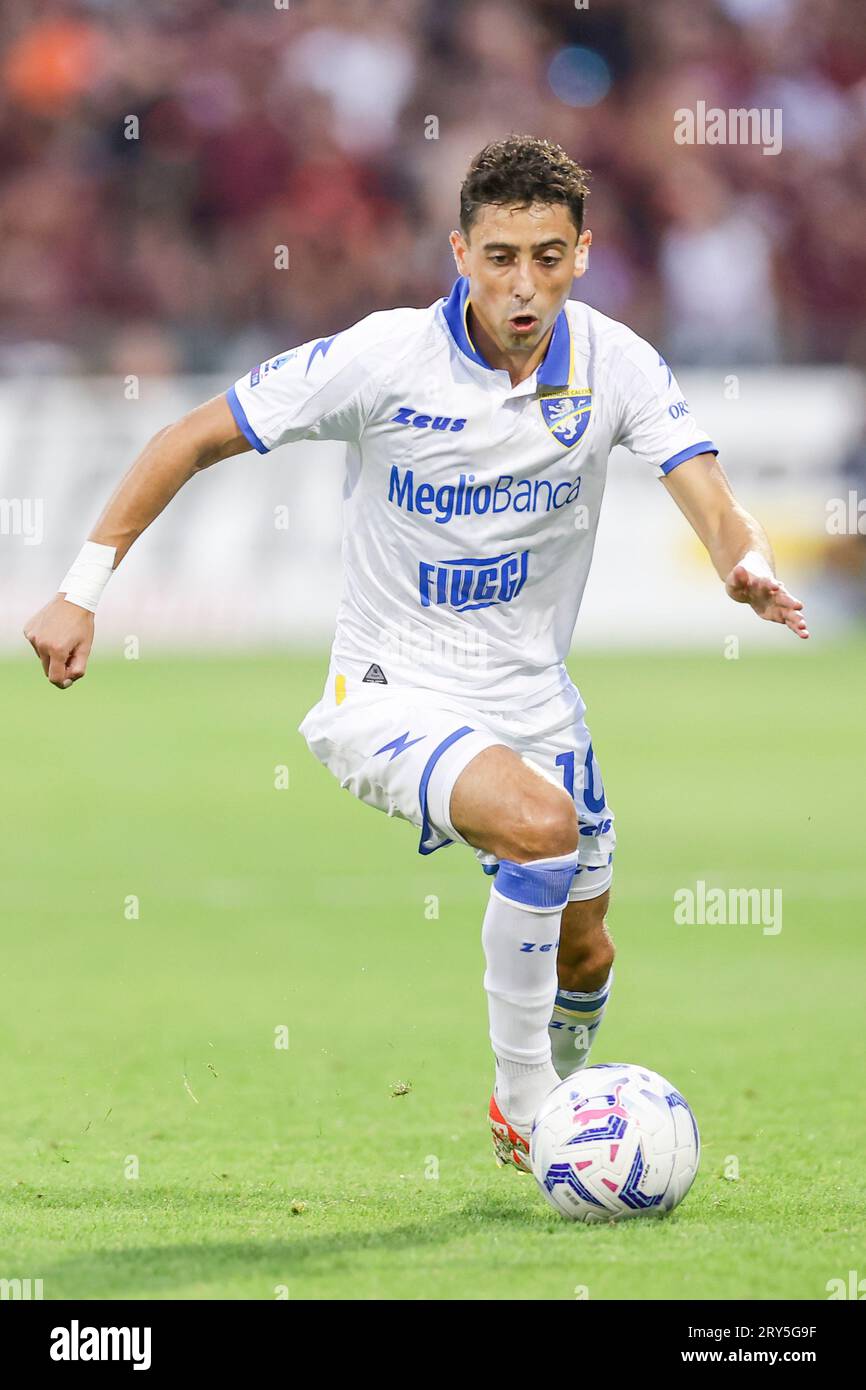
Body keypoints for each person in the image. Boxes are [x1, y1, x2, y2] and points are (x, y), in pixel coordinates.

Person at [23, 136, 809, 1173]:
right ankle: (529, 1109)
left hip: (534, 701)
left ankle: (562, 1099)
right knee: (541, 830)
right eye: (499, 258)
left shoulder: (615, 362)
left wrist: (743, 562)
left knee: (586, 954)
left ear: (581, 255)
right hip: (388, 690)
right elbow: (190, 437)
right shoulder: (383, 358)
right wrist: (80, 591)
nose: (521, 285)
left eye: (546, 257)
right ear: (458, 252)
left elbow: (705, 489)